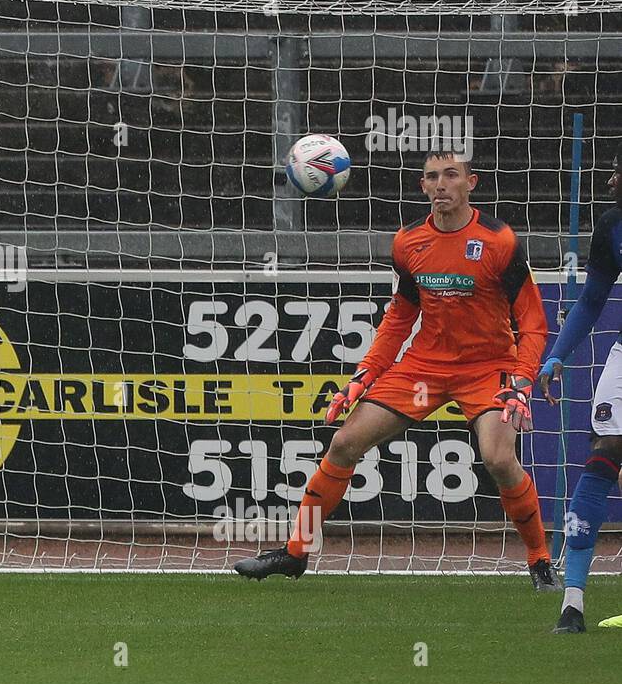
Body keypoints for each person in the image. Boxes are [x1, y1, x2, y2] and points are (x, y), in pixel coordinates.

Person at [235, 151, 561, 589]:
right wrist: (366, 372)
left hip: (488, 368)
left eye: (451, 175)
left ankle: (540, 561)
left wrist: (520, 381)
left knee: (500, 459)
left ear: (472, 183)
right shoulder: (408, 242)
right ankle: (295, 554)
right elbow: (400, 315)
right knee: (345, 443)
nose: (441, 184)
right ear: (422, 186)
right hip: (425, 366)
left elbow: (534, 323)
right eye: (432, 177)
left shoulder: (499, 241)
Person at [539, 155, 622, 632]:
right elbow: (592, 299)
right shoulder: (612, 224)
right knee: (603, 452)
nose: (610, 180)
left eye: (618, 170)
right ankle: (572, 605)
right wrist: (557, 356)